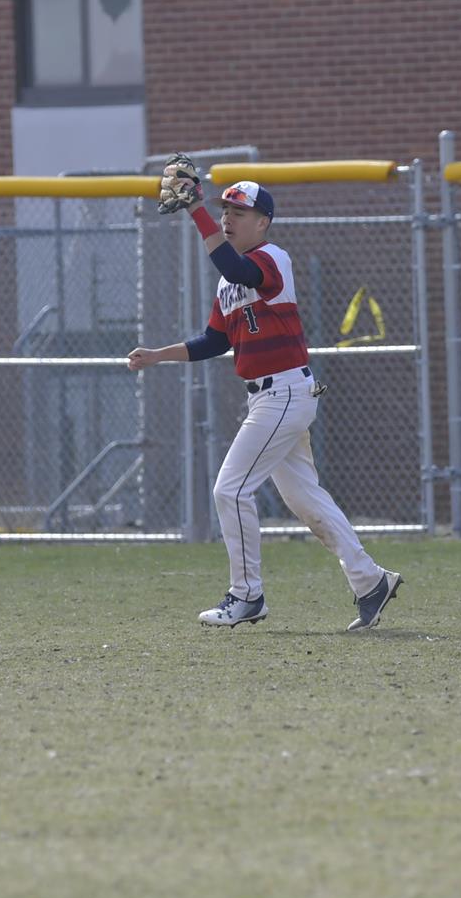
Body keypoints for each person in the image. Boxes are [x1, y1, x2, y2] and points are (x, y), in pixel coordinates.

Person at [127, 169, 405, 631]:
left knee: (230, 490)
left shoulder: (272, 258)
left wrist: (196, 210)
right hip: (269, 398)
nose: (229, 218)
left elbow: (237, 268)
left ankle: (247, 595)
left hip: (284, 392)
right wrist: (159, 355)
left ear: (263, 222)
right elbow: (215, 341)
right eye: (224, 210)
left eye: (240, 212)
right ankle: (370, 581)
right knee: (306, 500)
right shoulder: (226, 285)